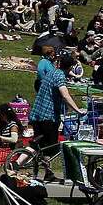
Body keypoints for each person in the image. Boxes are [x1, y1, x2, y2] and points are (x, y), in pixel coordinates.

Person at [28, 47, 83, 182]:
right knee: (51, 146)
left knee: (39, 144)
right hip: (48, 116)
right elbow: (65, 95)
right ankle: (19, 164)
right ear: (70, 67)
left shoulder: (52, 73)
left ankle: (46, 172)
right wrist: (78, 110)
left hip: (37, 114)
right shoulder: (59, 76)